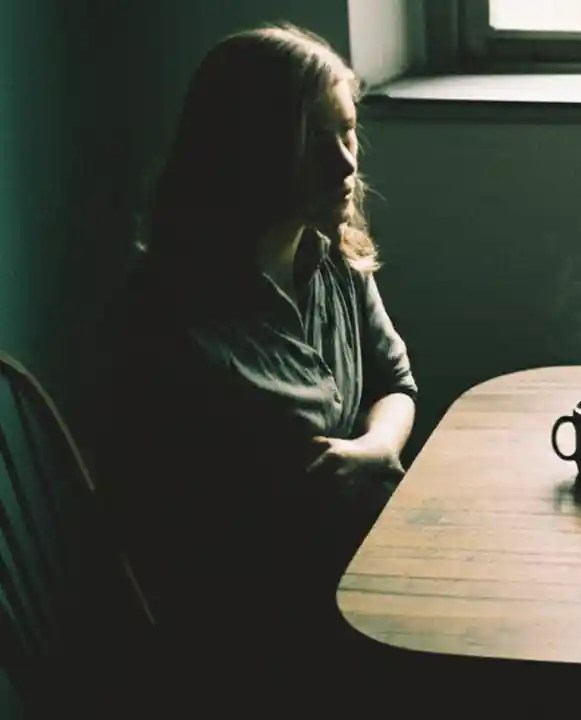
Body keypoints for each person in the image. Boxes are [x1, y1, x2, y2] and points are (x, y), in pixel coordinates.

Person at [89, 23, 417, 706]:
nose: (345, 164)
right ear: (250, 151)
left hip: (360, 571)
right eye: (315, 141)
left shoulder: (334, 256)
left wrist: (375, 449)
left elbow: (394, 382)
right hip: (259, 639)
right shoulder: (166, 323)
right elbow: (166, 539)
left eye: (348, 133)